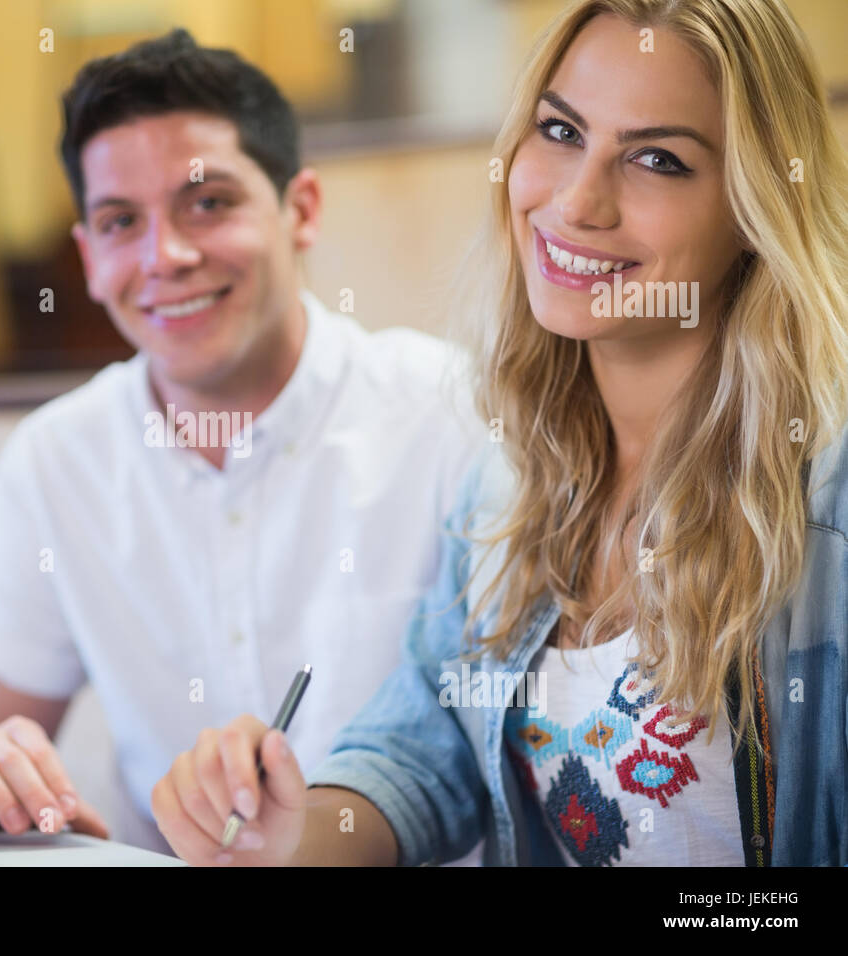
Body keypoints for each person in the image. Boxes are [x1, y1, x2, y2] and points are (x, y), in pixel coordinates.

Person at [152, 0, 848, 866]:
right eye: (560, 131)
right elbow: (424, 755)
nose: (577, 200)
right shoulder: (510, 480)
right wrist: (285, 832)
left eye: (658, 159)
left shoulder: (830, 505)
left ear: (753, 209)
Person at [0, 29, 481, 856]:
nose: (165, 256)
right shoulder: (52, 462)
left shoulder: (453, 416)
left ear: (302, 209)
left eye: (208, 203)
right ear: (87, 256)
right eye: (119, 221)